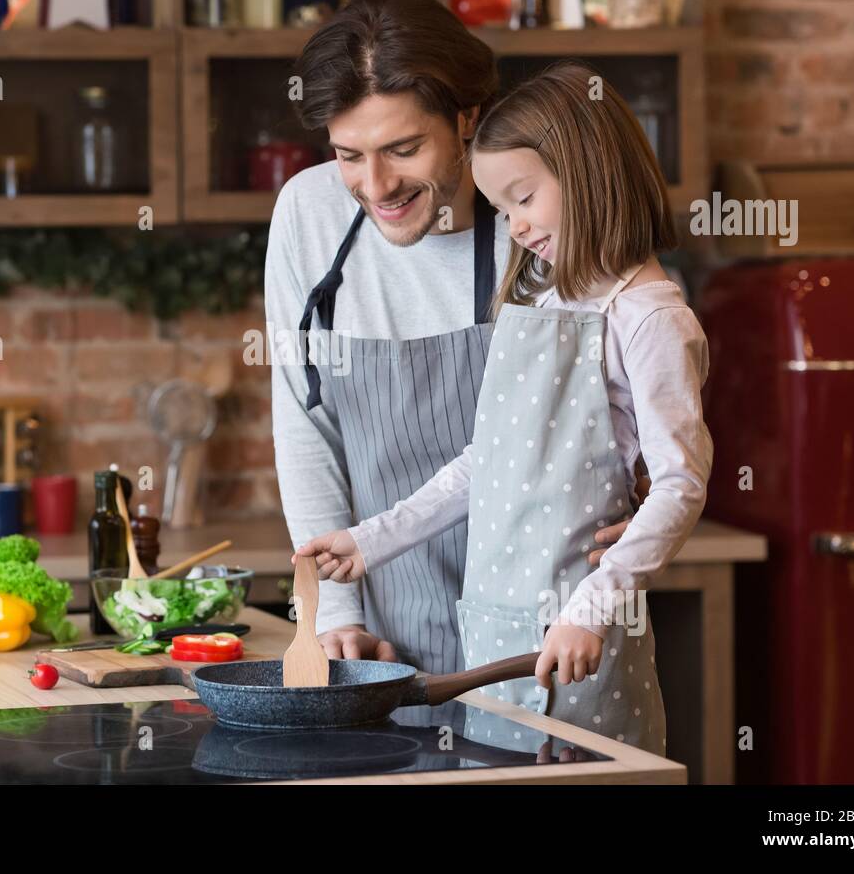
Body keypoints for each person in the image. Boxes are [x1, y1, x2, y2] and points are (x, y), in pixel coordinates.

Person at [293, 62, 713, 754]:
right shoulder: (547, 303)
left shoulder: (650, 318)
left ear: (589, 173)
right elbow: (483, 462)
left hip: (579, 633)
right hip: (498, 629)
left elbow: (679, 485)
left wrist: (591, 611)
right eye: (503, 208)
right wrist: (372, 541)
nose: (514, 226)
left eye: (522, 198)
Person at [265, 0, 635, 726]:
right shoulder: (308, 214)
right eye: (348, 155)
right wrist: (336, 612)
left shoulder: (546, 215)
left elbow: (648, 356)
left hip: (551, 643)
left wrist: (657, 480)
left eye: (404, 150)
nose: (377, 187)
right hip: (384, 650)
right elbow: (306, 429)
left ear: (469, 118)